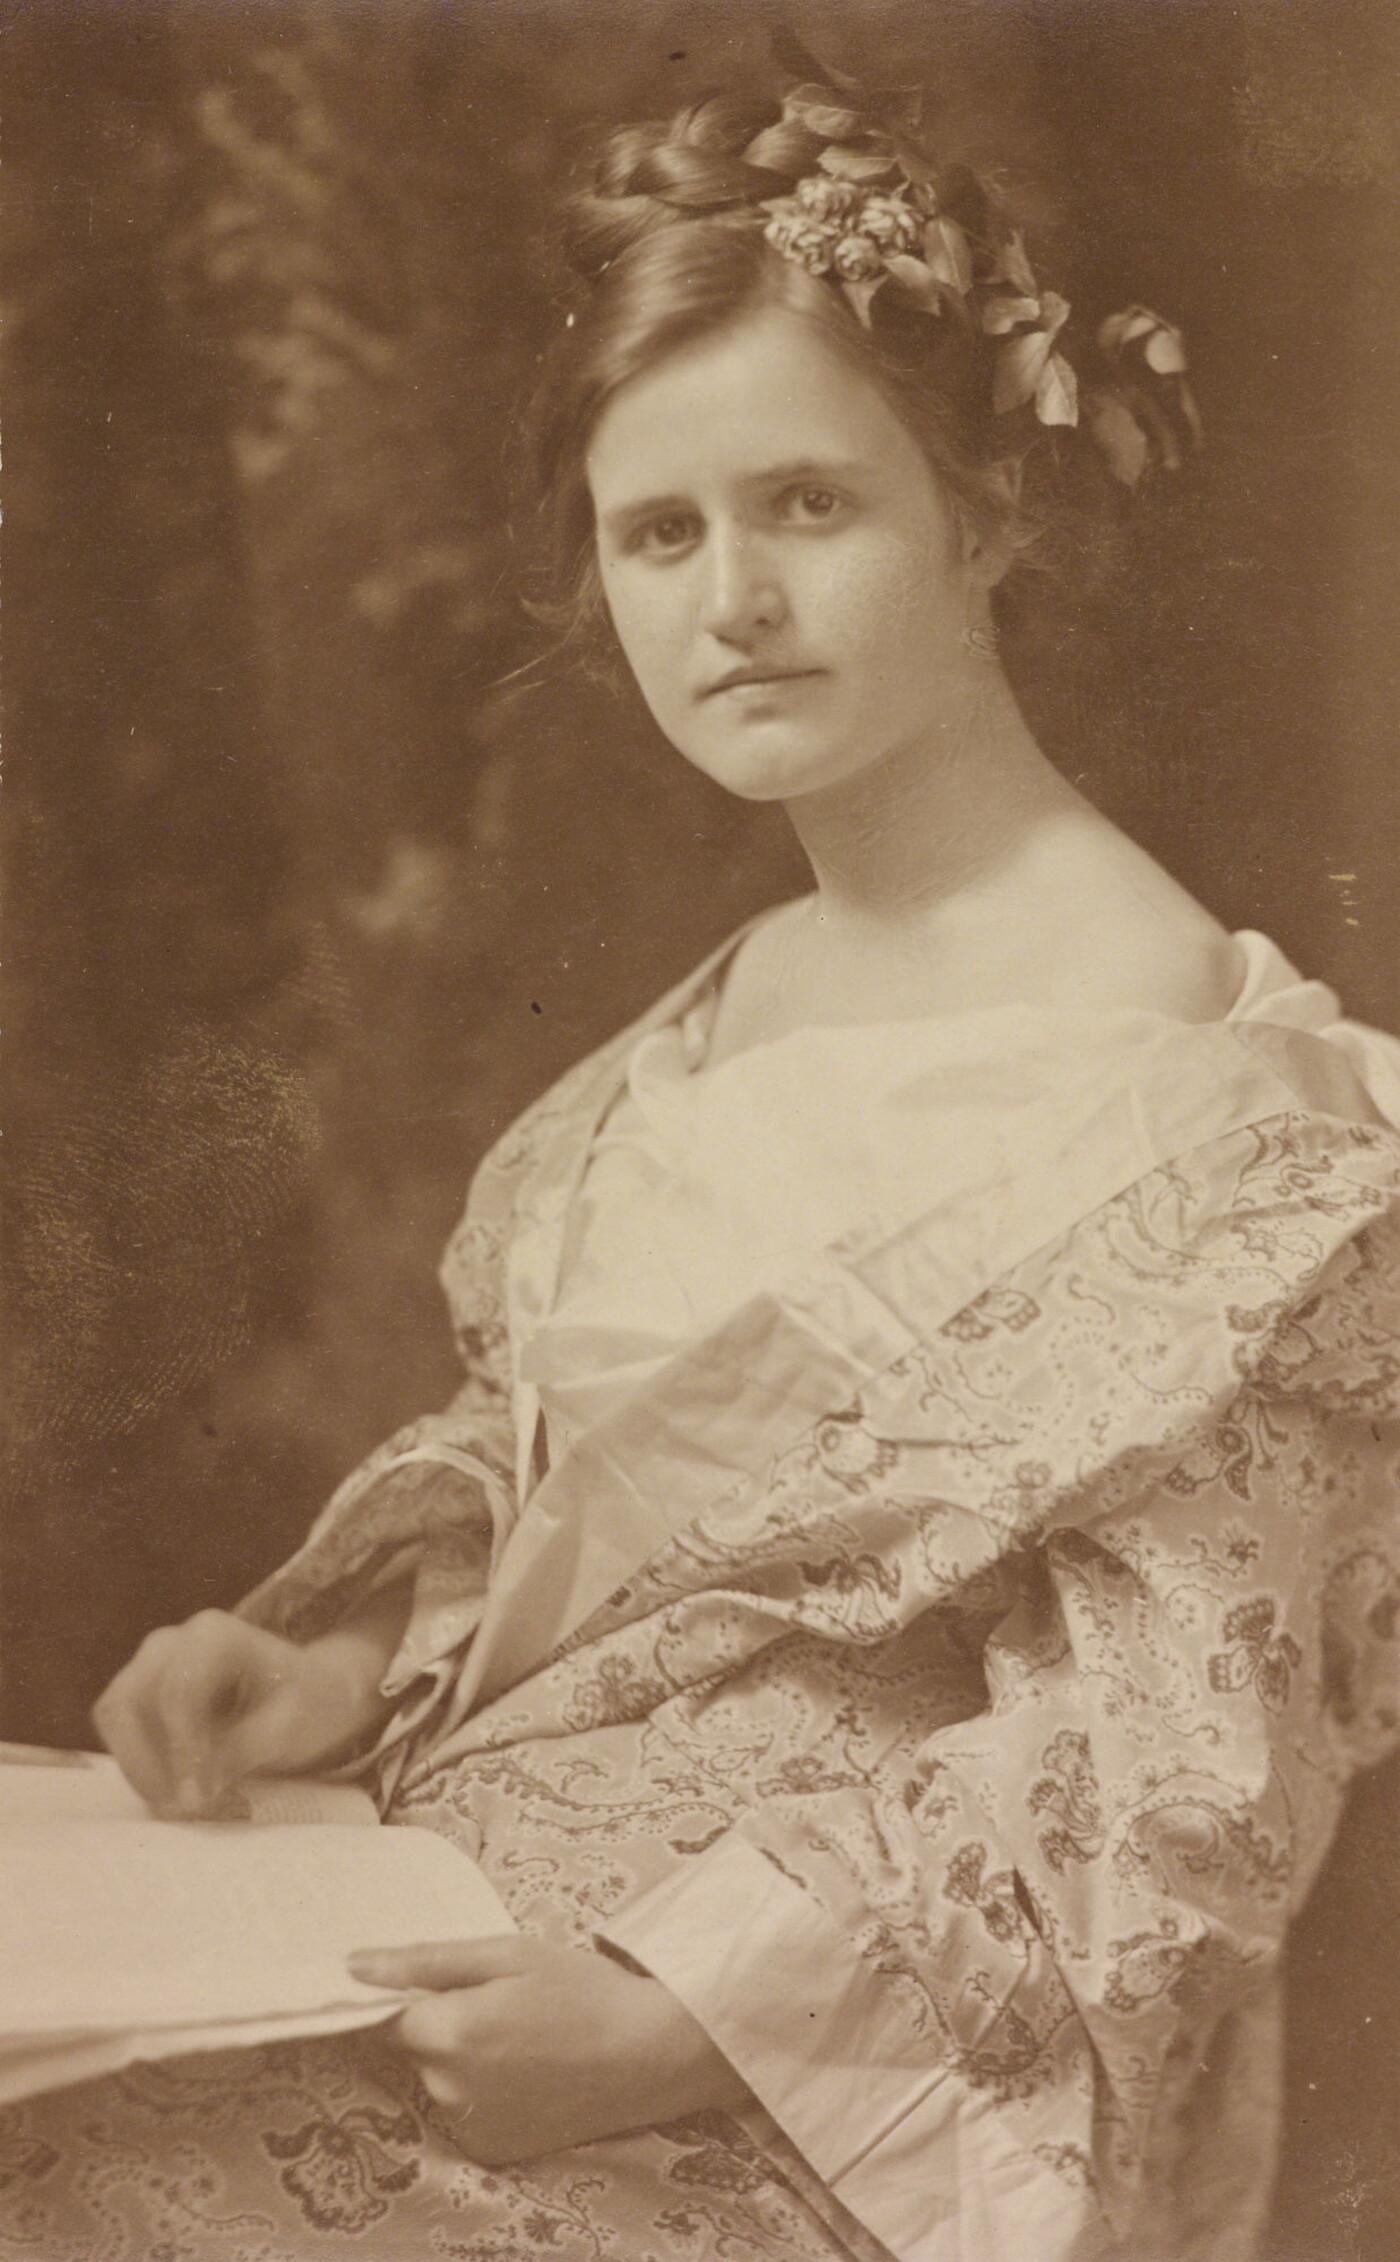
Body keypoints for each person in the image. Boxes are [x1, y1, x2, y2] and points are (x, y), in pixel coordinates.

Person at [5, 54, 1400, 2262]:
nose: (729, 595)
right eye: (660, 533)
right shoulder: (727, 1009)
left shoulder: (1206, 1109)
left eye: (808, 506)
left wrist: (681, 2016)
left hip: (838, 2093)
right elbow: (562, 1458)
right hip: (464, 1905)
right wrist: (338, 1667)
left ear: (990, 513)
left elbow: (1175, 1778)